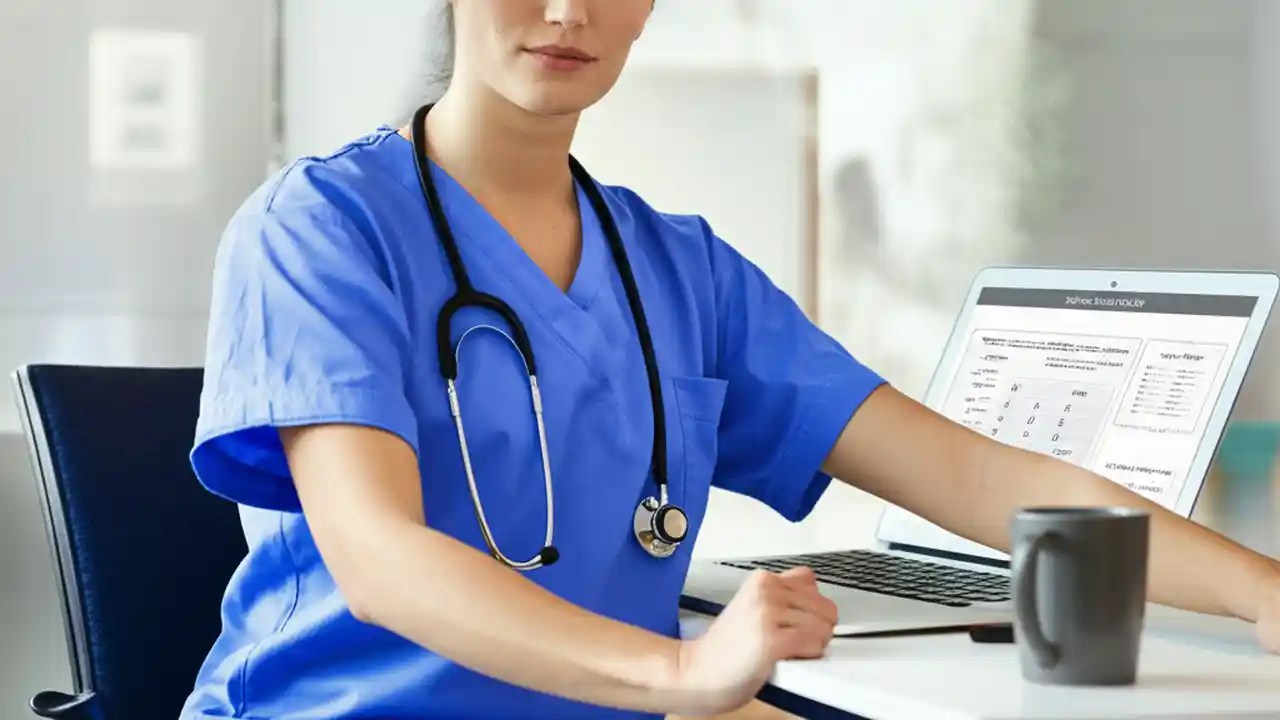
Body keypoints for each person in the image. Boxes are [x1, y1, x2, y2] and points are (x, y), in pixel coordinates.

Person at [180, 1, 1280, 718]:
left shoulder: (678, 268)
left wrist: (1256, 590)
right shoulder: (319, 228)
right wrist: (682, 673)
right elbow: (379, 563)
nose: (570, 12)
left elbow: (970, 475)